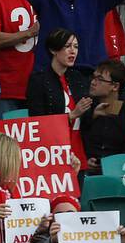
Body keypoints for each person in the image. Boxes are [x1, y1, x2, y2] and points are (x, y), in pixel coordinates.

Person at [27, 29, 92, 164]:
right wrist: (71, 115)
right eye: (67, 46)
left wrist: (96, 112)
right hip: (52, 152)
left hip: (78, 149)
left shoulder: (78, 78)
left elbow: (85, 117)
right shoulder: (38, 80)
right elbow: (37, 121)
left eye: (76, 47)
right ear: (53, 50)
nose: (73, 51)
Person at [83, 60, 125, 174]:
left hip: (121, 173)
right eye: (93, 78)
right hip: (88, 174)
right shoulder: (85, 106)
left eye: (99, 79)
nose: (93, 82)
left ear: (115, 86)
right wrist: (85, 161)